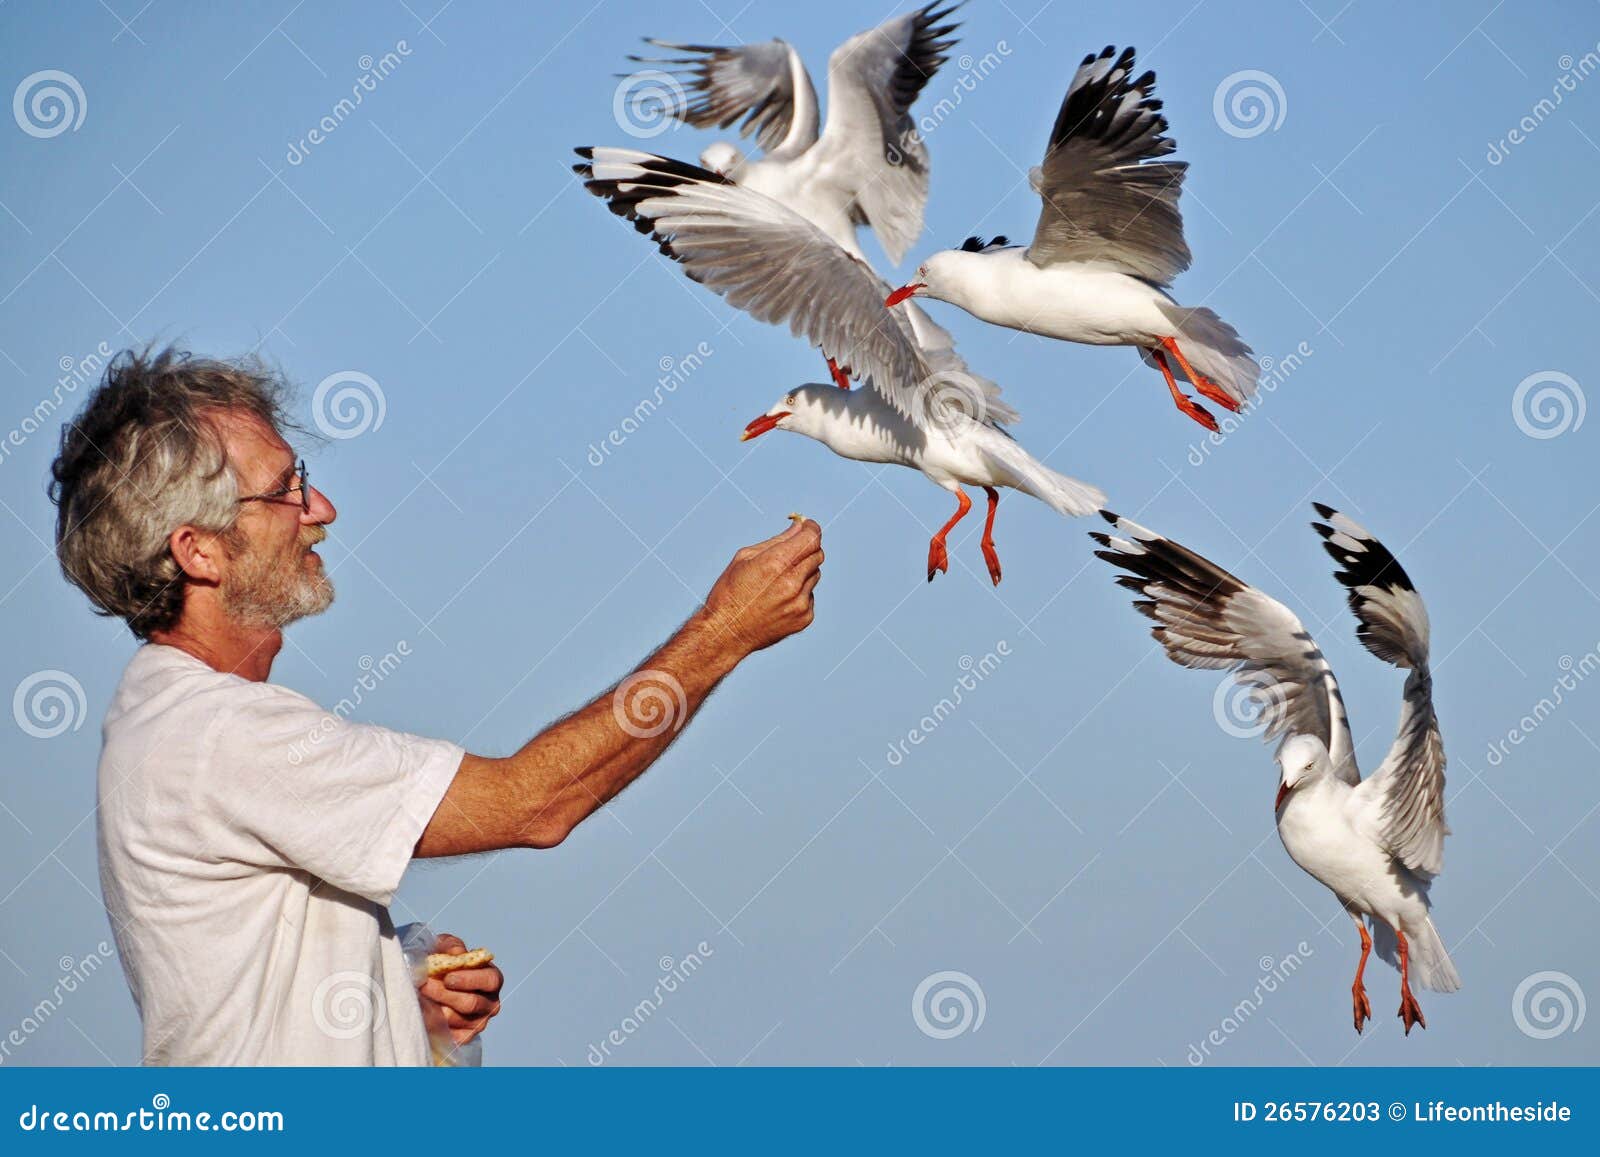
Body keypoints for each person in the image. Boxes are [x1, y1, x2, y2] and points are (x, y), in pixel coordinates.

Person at [48, 346, 824, 1065]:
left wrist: (397, 996)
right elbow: (534, 803)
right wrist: (725, 632)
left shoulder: (180, 725)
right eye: (285, 487)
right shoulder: (218, 733)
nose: (321, 508)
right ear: (200, 551)